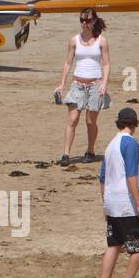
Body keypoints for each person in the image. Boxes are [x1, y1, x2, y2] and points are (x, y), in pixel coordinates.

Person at [97, 108, 139, 278]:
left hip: (112, 202)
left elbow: (102, 177)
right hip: (126, 204)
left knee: (114, 245)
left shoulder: (111, 145)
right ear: (134, 125)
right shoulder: (130, 144)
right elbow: (131, 176)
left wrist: (105, 204)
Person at [56, 9, 111, 165]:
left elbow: (106, 64)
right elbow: (68, 63)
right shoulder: (74, 40)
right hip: (77, 84)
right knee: (72, 119)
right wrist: (61, 84)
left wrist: (104, 84)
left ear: (94, 21)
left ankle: (90, 150)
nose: (84, 24)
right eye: (82, 20)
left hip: (95, 85)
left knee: (90, 122)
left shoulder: (101, 41)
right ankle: (66, 154)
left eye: (87, 21)